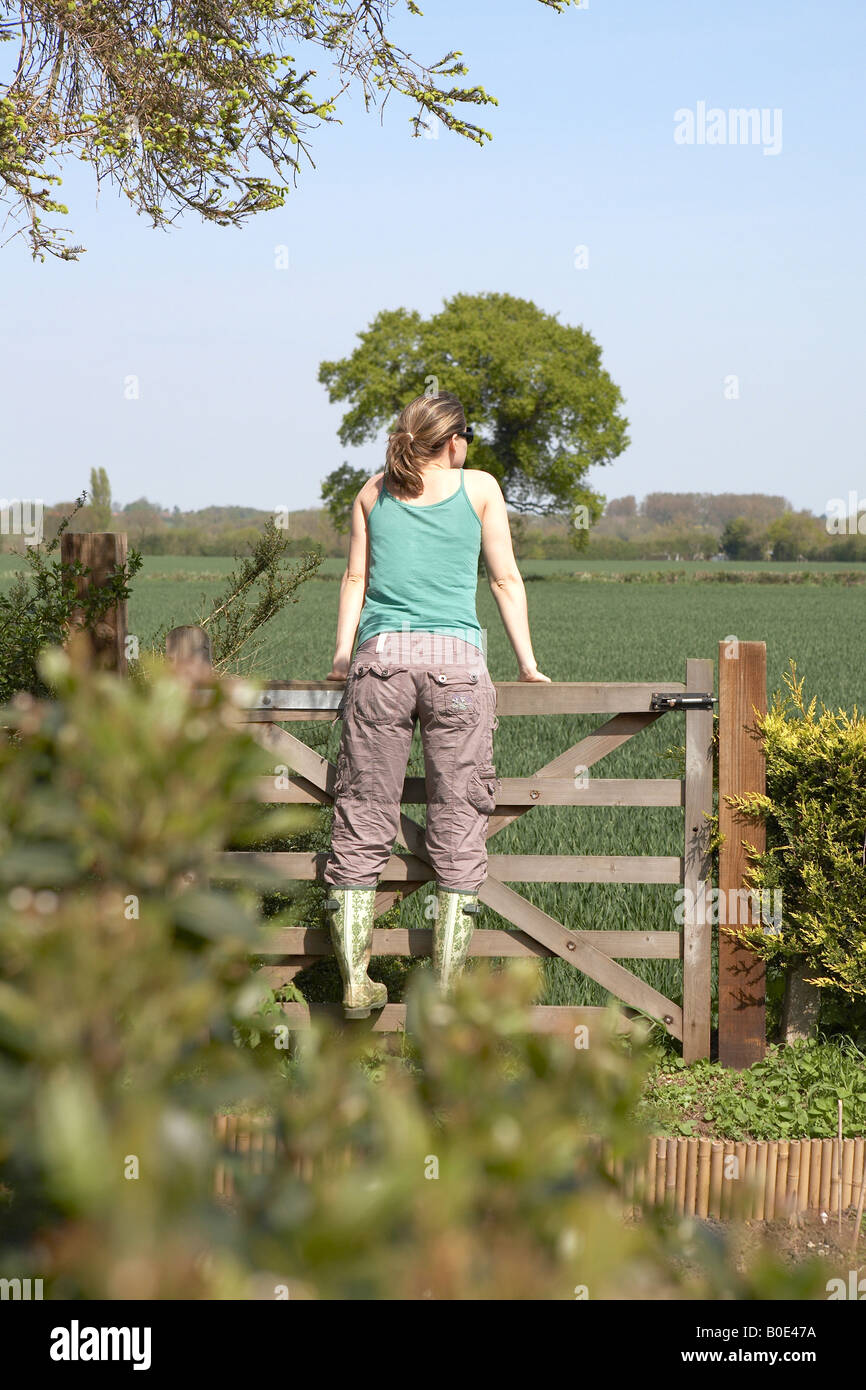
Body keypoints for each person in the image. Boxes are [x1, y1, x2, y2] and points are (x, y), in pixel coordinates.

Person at [322, 390, 550, 1018]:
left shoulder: (372, 491)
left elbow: (354, 580)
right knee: (459, 815)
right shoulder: (479, 487)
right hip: (456, 669)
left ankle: (354, 983)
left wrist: (344, 654)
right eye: (468, 433)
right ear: (453, 439)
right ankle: (446, 994)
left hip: (381, 665)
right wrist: (527, 663)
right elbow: (505, 578)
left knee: (363, 814)